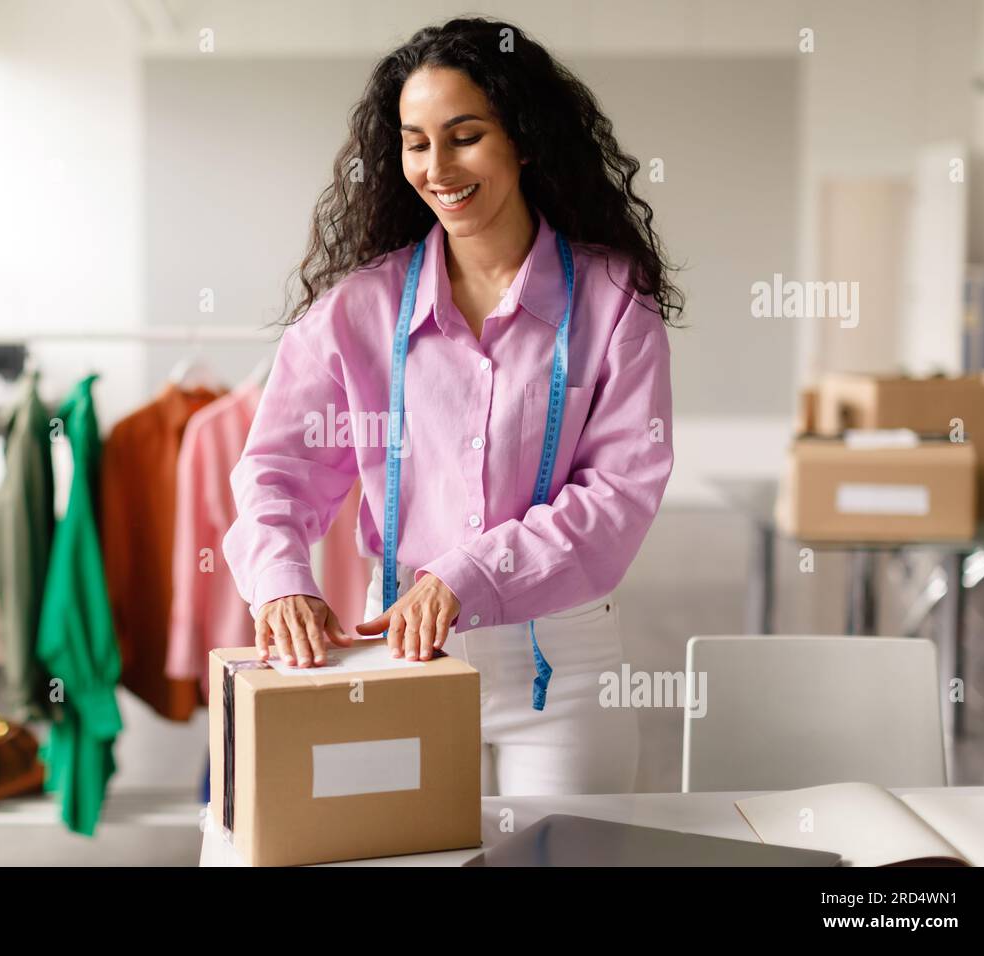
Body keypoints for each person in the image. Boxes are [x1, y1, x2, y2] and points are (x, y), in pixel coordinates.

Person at [222, 16, 682, 797]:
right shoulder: (356, 311)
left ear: (524, 139)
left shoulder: (610, 299)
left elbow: (619, 495)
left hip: (562, 669)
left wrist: (468, 575)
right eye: (416, 142)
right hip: (399, 654)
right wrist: (282, 581)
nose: (437, 166)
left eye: (465, 135)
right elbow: (278, 471)